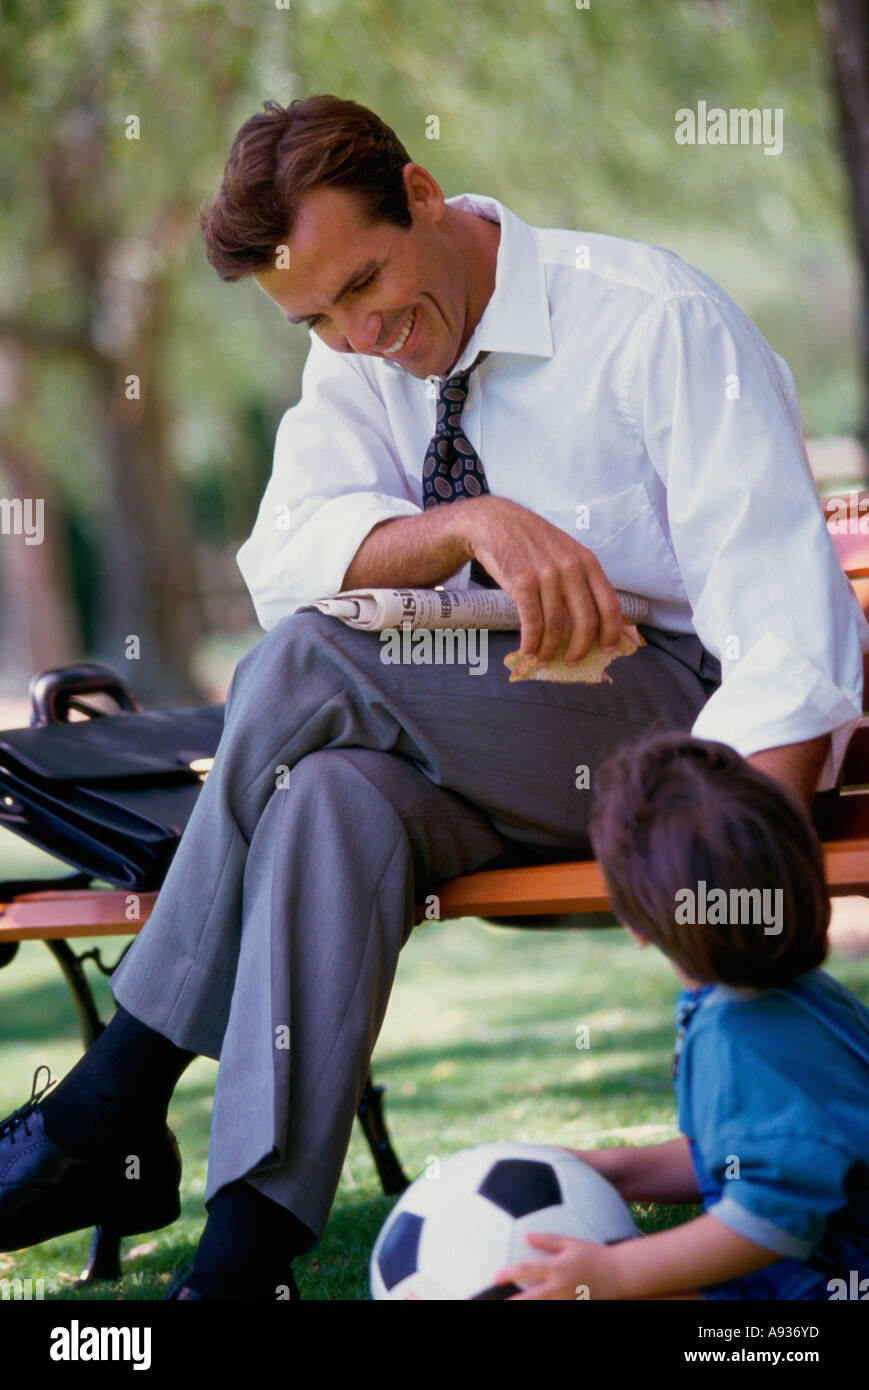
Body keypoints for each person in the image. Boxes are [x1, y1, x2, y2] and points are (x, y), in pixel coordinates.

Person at [0, 93, 866, 1302]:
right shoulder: (354, 351)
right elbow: (282, 557)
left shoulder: (650, 322)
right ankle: (240, 1262)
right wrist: (466, 522)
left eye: (364, 284)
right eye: (318, 314)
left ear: (418, 194)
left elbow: (783, 645)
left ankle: (110, 1102)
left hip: (678, 737)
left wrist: (722, 904)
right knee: (329, 797)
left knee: (307, 666)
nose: (361, 333)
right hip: (501, 730)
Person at [496, 729, 869, 1301]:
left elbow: (772, 1224)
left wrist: (616, 1274)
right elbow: (742, 1152)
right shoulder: (792, 994)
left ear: (634, 923)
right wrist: (611, 1169)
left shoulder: (740, 1036)